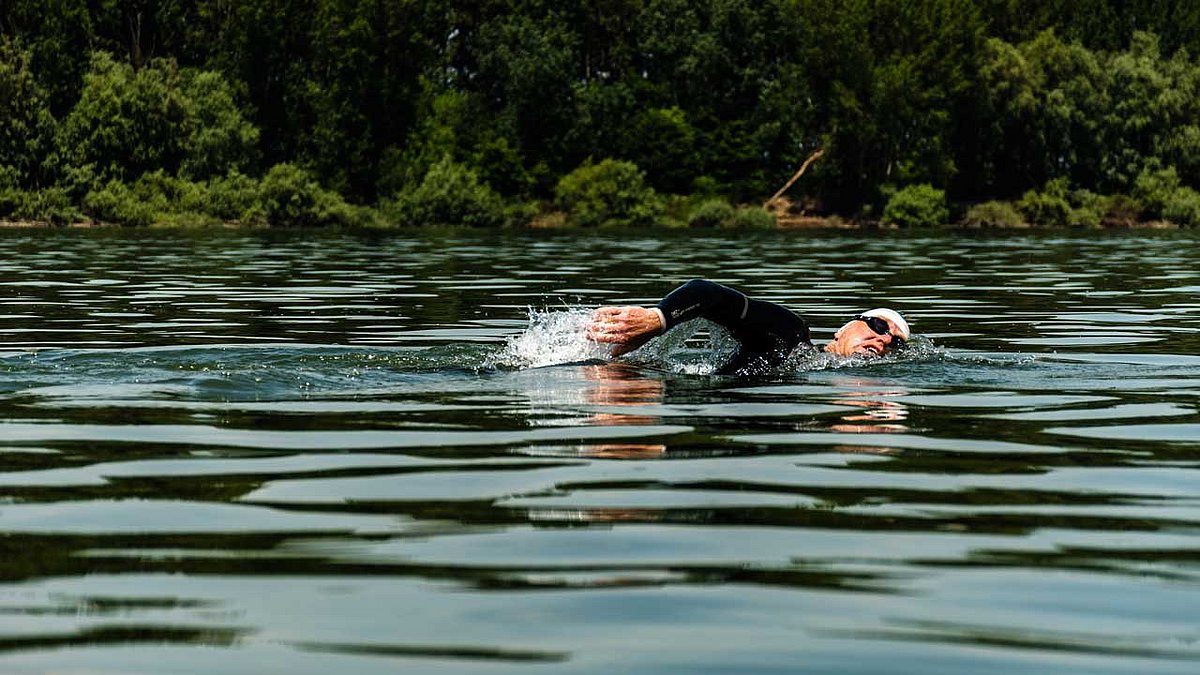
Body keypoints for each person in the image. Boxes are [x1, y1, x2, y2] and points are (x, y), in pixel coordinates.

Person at [585, 278, 910, 375]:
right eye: (879, 325)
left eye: (894, 342)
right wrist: (656, 319)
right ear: (842, 329)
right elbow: (707, 293)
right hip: (623, 388)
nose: (883, 339)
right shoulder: (791, 335)